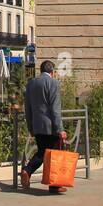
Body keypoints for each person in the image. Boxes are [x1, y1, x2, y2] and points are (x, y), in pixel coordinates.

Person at [22, 59, 67, 193]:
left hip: (37, 125)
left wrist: (31, 127)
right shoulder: (53, 83)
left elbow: (27, 108)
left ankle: (27, 170)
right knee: (54, 155)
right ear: (52, 72)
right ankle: (54, 185)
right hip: (51, 126)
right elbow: (55, 109)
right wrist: (60, 129)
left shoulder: (31, 84)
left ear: (41, 70)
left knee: (42, 152)